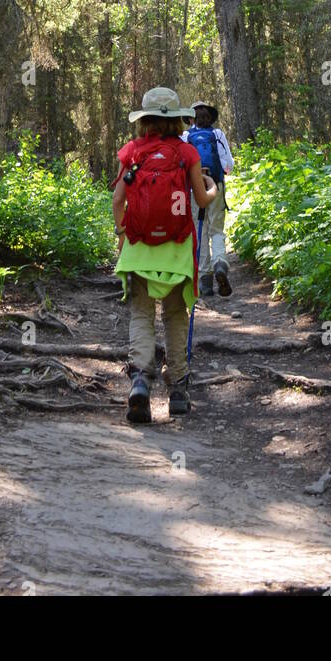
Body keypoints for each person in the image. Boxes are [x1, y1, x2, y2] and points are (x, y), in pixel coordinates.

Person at [113, 87, 217, 424]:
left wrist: (121, 235)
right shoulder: (187, 153)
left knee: (141, 314)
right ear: (176, 120)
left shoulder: (133, 152)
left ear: (145, 120)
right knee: (175, 314)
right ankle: (178, 391)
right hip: (177, 247)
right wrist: (212, 186)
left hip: (139, 247)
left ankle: (140, 381)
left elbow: (118, 201)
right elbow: (202, 201)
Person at [183, 100, 234, 298]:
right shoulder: (218, 134)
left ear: (191, 118)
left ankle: (205, 280)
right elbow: (228, 164)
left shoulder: (186, 136)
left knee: (199, 230)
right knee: (216, 229)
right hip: (216, 185)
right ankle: (220, 263)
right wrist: (221, 174)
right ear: (210, 118)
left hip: (194, 188)